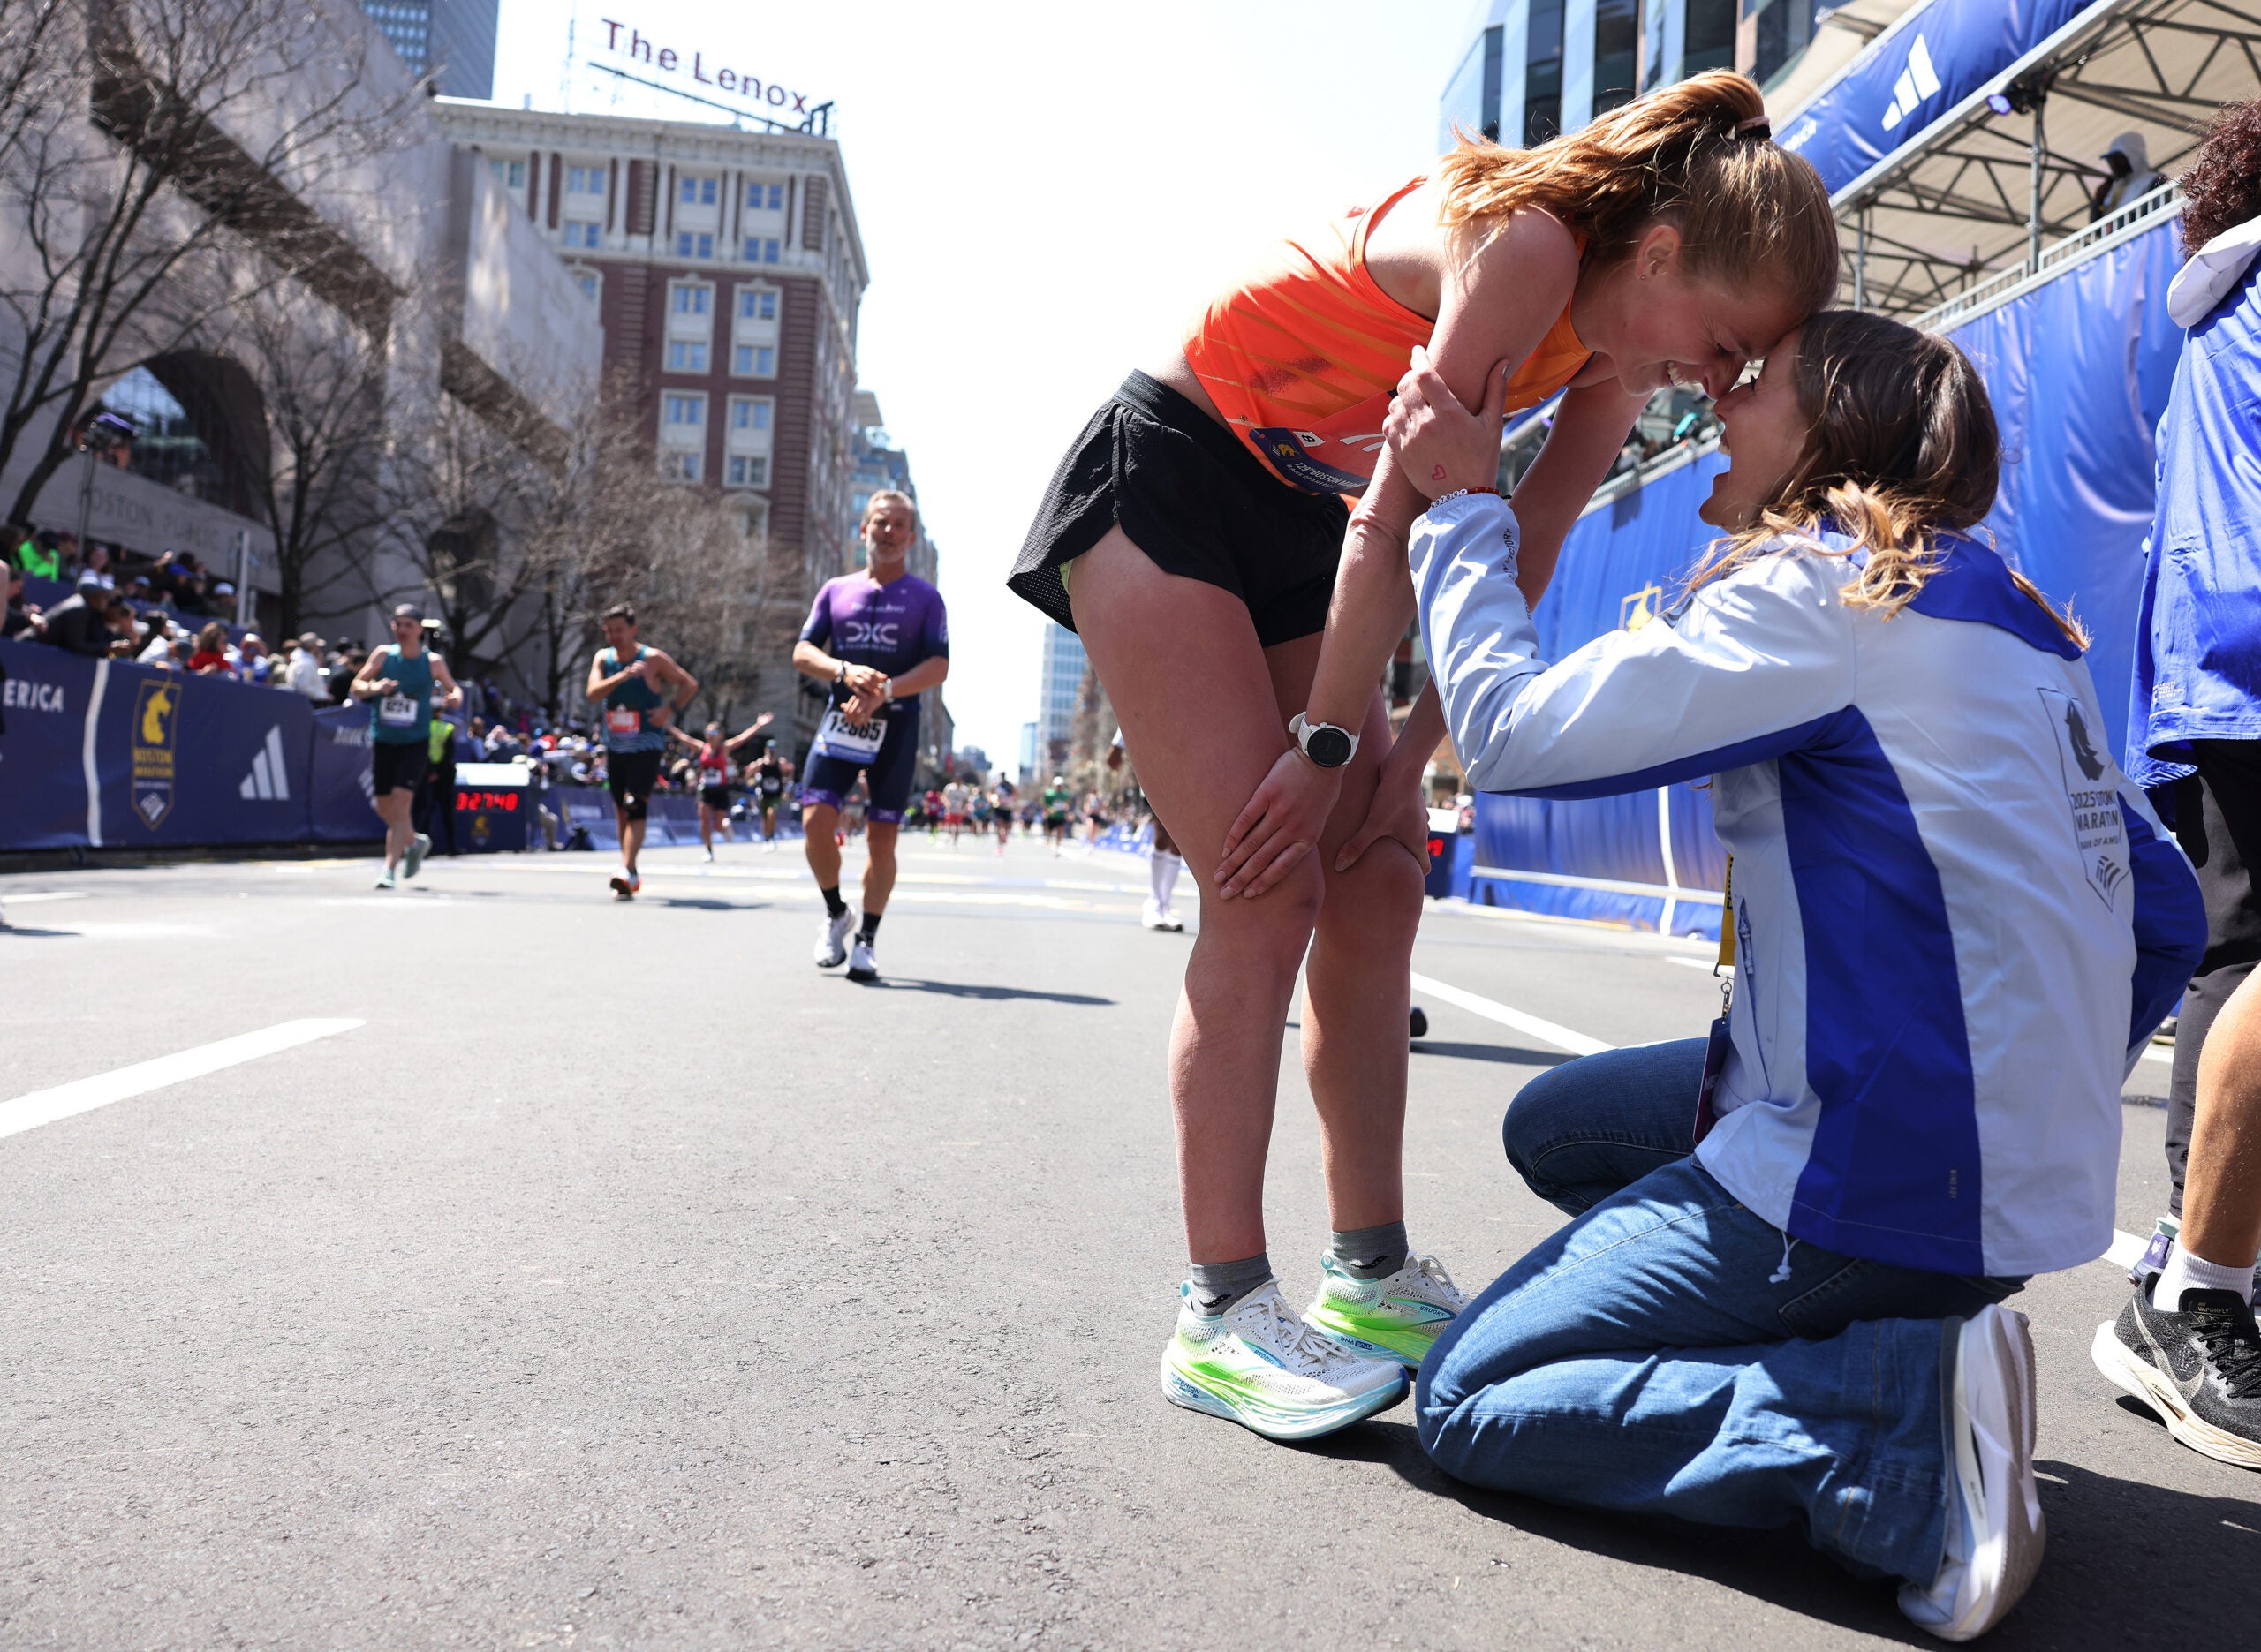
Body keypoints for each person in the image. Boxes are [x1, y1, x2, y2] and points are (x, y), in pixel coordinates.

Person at [1005, 71, 1837, 1440]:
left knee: (1385, 871)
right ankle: (1216, 1309)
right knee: (1264, 878)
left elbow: (1530, 538)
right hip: (1171, 473)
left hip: (1305, 517)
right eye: (1725, 341)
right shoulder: (1533, 246)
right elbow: (1401, 508)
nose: (1719, 381)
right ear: (1670, 252)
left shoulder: (1620, 346)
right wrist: (1331, 744)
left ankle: (1369, 1269)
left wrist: (1419, 751)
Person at [1389, 314, 2203, 1637]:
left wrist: (1464, 503)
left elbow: (1513, 732)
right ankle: (1904, 1333)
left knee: (1474, 1395)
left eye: (1750, 379)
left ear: (1825, 436)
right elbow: (2163, 914)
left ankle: (1884, 1433)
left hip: (1876, 1166)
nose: (1718, 392)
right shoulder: (2028, 629)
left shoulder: (1820, 599)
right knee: (1559, 1124)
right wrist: (2021, 1088)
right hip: (1989, 1170)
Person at [2099, 96, 2261, 1467]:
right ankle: (2194, 1288)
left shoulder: (2224, 300)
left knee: (2237, 957)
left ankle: (2195, 1267)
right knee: (2246, 963)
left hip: (2220, 671)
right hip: (2246, 671)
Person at [792, 489, 950, 984]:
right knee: (816, 819)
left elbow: (939, 666)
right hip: (841, 721)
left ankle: (866, 942)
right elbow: (802, 652)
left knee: (882, 839)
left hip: (897, 727)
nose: (889, 531)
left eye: (900, 525)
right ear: (863, 529)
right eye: (881, 522)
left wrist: (885, 689)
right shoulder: (835, 589)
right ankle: (837, 912)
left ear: (911, 537)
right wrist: (843, 669)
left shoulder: (926, 598)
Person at [585, 601, 698, 901]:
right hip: (616, 746)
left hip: (646, 744)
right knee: (622, 808)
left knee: (635, 803)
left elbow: (689, 684)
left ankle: (626, 867)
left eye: (620, 630)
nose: (615, 636)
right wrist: (622, 676)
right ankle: (630, 871)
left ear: (633, 629)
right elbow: (593, 693)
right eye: (609, 631)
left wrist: (668, 709)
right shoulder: (603, 658)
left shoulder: (653, 658)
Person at [351, 604, 464, 890]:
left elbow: (454, 688)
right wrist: (376, 688)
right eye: (397, 625)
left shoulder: (432, 662)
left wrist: (454, 698)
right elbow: (356, 686)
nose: (401, 630)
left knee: (401, 805)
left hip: (415, 742)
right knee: (383, 807)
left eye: (407, 626)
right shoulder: (382, 656)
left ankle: (389, 869)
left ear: (419, 630)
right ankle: (414, 842)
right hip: (385, 739)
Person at [669, 712, 775, 860]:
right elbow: (683, 738)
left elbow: (743, 738)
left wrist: (759, 725)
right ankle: (709, 850)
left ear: (720, 735)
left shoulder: (725, 748)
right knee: (704, 819)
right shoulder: (701, 747)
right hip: (705, 788)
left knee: (718, 826)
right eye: (708, 731)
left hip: (721, 789)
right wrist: (667, 724)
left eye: (713, 732)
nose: (710, 734)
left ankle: (724, 826)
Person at [1110, 733, 1184, 931]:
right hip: (1160, 772)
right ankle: (1154, 901)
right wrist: (1117, 744)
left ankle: (1165, 904)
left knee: (1180, 841)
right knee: (1163, 833)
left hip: (1190, 772)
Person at [30, 589, 133, 656]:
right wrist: (108, 649)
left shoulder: (94, 615)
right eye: (103, 596)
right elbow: (76, 645)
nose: (104, 600)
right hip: (31, 649)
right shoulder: (81, 609)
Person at [2089, 130, 2163, 222]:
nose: (2113, 164)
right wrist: (2098, 201)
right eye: (2111, 160)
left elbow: (2159, 216)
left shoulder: (2154, 180)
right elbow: (2097, 230)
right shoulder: (2114, 189)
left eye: (2117, 159)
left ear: (2133, 156)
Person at [748, 740, 790, 849]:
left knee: (771, 813)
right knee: (765, 818)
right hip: (763, 795)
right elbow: (748, 775)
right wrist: (752, 780)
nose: (771, 751)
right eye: (769, 749)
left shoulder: (781, 763)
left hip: (776, 795)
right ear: (766, 750)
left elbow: (790, 770)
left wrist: (787, 781)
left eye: (773, 749)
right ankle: (766, 838)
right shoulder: (760, 764)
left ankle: (771, 837)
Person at [1040, 776, 1070, 856]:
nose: (1059, 787)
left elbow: (1067, 804)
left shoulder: (1065, 794)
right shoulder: (1049, 794)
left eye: (1060, 785)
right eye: (1057, 785)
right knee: (1049, 832)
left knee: (1060, 832)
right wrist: (1048, 810)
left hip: (1060, 817)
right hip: (1051, 817)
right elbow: (1044, 804)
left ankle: (1057, 848)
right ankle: (1048, 839)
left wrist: (1067, 811)